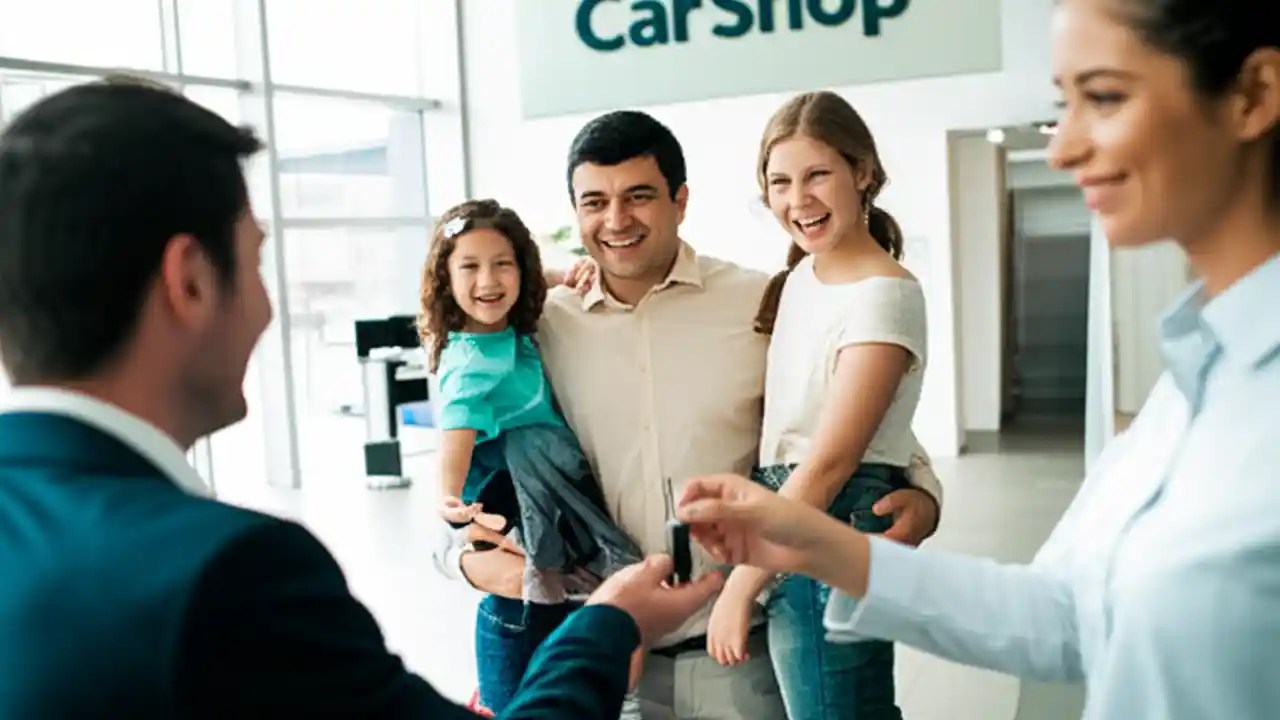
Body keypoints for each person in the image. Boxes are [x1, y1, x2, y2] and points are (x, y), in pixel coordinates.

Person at [0, 79, 723, 719]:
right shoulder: (231, 573)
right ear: (189, 281)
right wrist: (607, 626)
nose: (266, 309)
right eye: (256, 260)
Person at [675, 1, 1280, 718]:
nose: (1061, 149)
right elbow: (1062, 616)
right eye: (1063, 105)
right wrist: (813, 543)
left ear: (1254, 95)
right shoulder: (1190, 383)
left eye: (1105, 97)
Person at [435, 109, 946, 718]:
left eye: (639, 196)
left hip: (743, 658)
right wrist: (462, 559)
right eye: (594, 202)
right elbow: (465, 462)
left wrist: (923, 491)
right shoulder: (539, 329)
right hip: (613, 662)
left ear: (680, 200)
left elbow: (836, 414)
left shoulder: (759, 302)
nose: (616, 220)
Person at [703, 90, 927, 720]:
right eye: (780, 182)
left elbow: (832, 462)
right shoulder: (803, 276)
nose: (797, 199)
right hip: (792, 515)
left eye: (817, 175)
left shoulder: (884, 294)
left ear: (863, 172)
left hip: (825, 520)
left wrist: (743, 584)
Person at [419, 197, 644, 713]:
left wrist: (568, 273)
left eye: (502, 264)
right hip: (522, 601)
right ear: (445, 279)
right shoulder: (470, 365)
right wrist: (449, 500)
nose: (488, 281)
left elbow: (530, 275)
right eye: (469, 268)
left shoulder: (507, 334)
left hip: (553, 553)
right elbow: (453, 441)